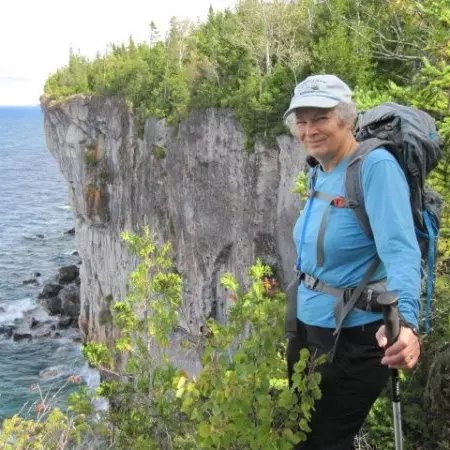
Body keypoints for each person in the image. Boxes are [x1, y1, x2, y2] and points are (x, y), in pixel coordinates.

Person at [283, 74, 422, 449]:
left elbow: (402, 250)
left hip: (355, 336)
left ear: (345, 118)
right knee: (296, 435)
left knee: (319, 443)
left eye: (320, 118)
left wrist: (407, 322)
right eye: (302, 121)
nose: (309, 130)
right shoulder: (319, 169)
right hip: (308, 330)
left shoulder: (375, 168)